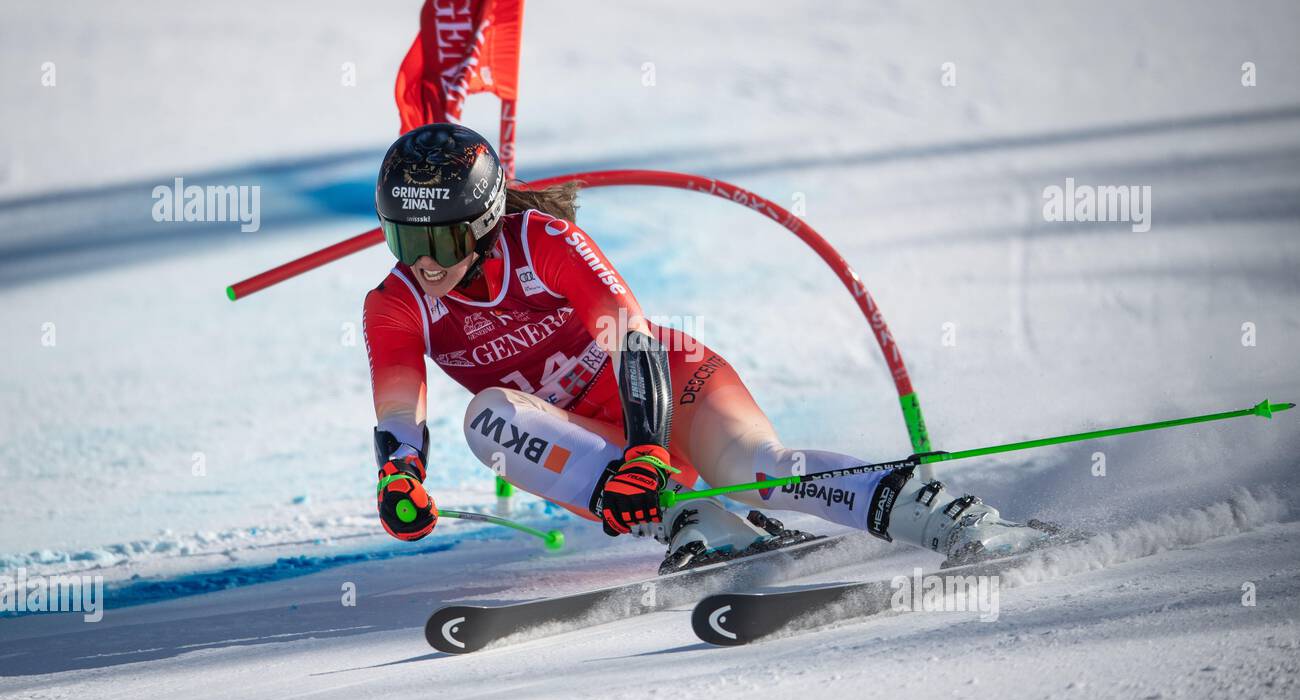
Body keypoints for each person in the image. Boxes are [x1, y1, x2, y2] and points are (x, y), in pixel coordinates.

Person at [364, 123, 1049, 572]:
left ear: (484, 223)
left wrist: (648, 450)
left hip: (668, 392)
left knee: (765, 472)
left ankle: (948, 518)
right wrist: (401, 478)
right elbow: (399, 411)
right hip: (585, 439)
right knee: (489, 418)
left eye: (442, 241)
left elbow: (630, 338)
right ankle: (700, 523)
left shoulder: (543, 243)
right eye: (405, 239)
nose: (424, 263)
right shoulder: (395, 304)